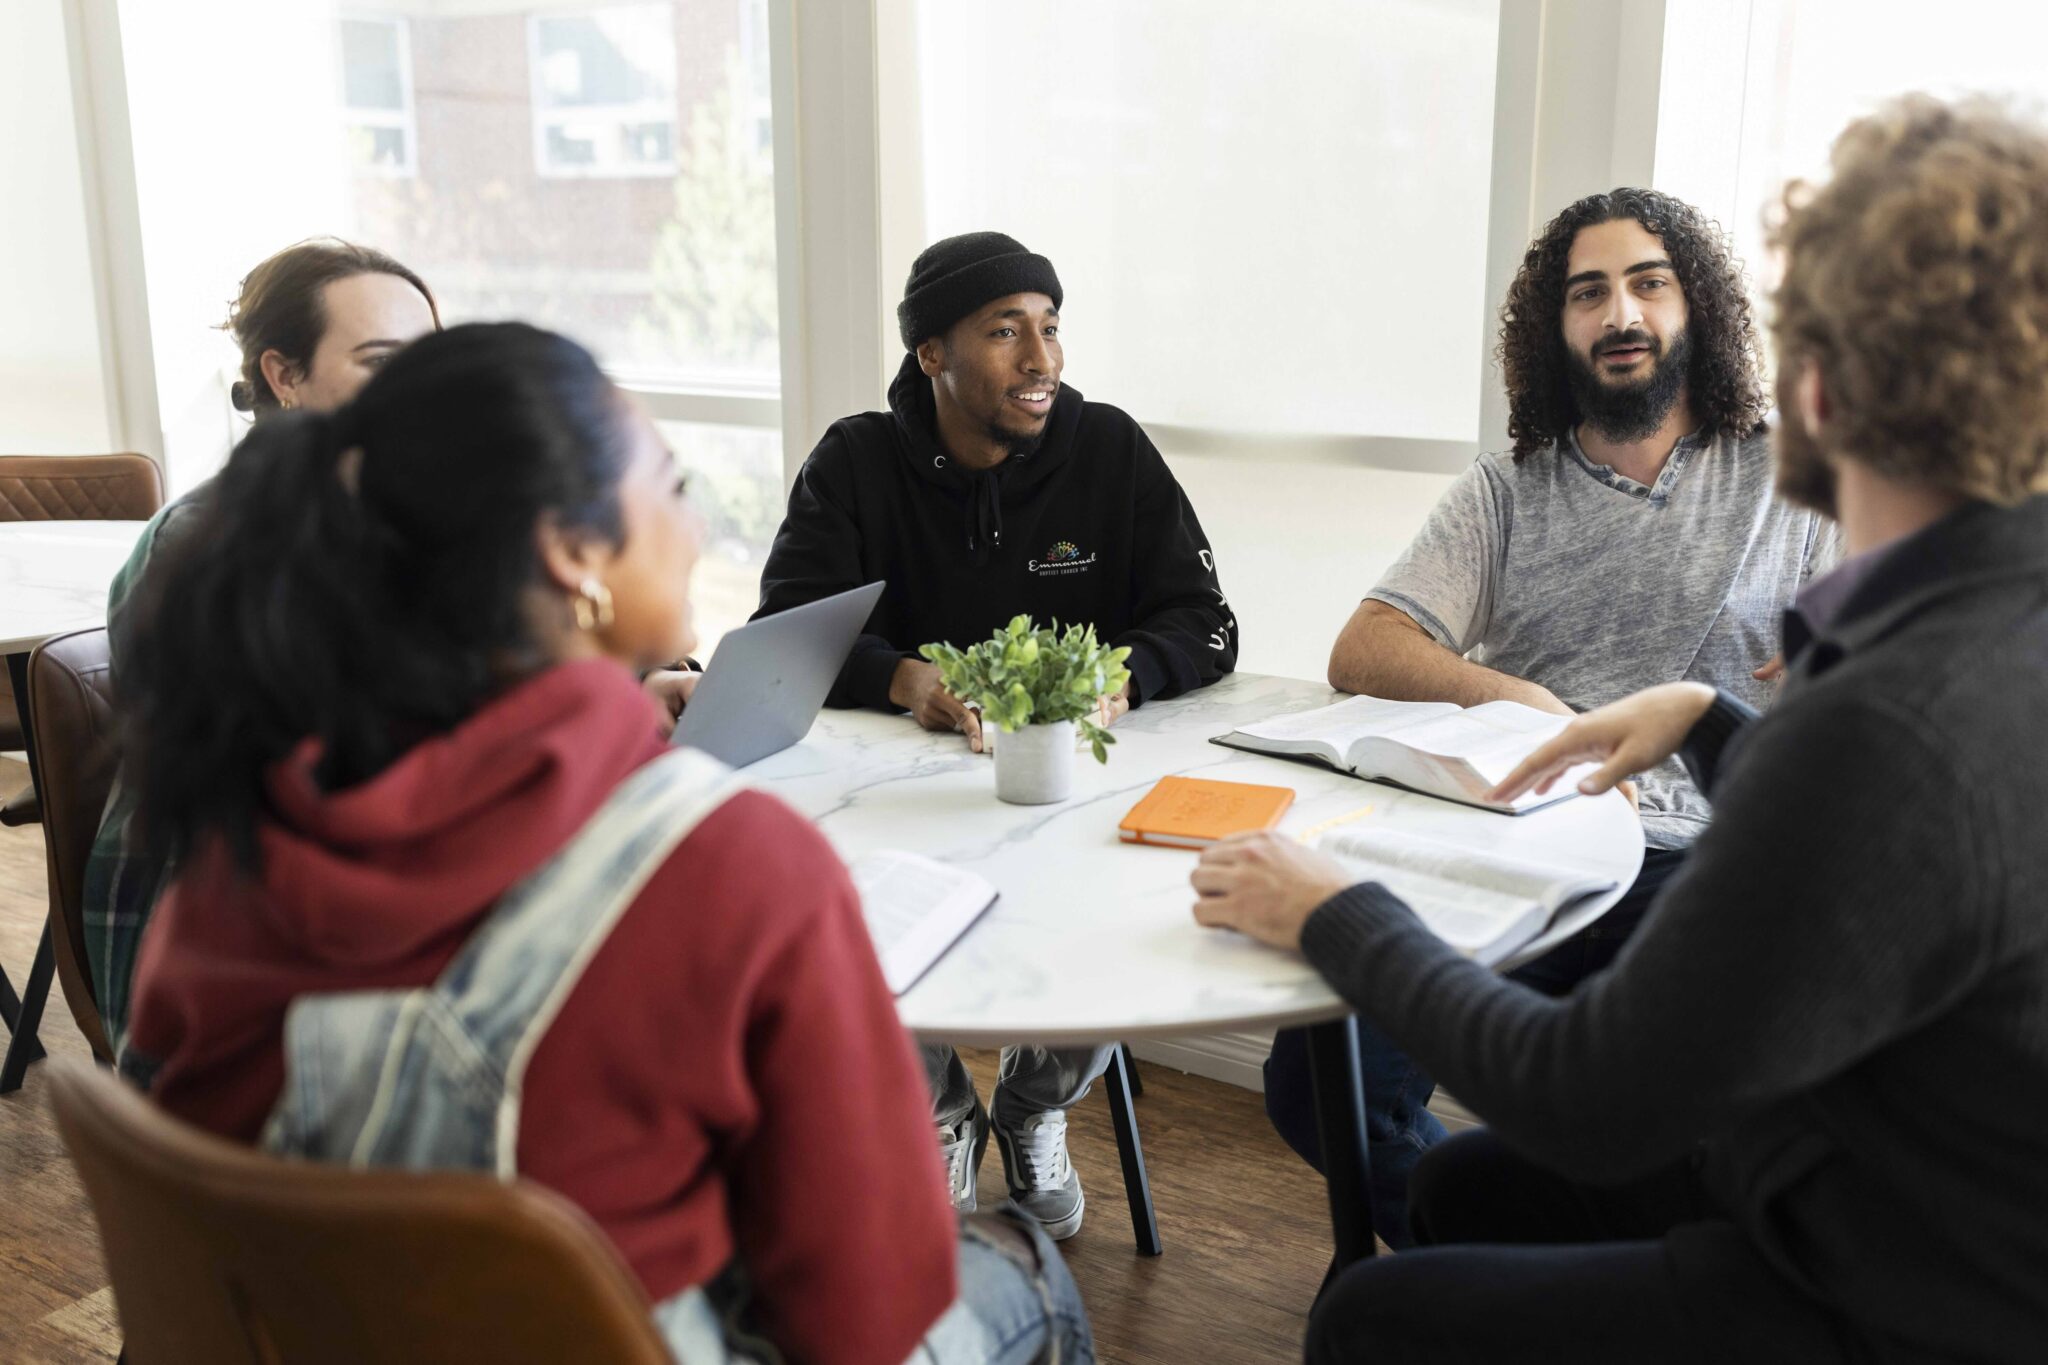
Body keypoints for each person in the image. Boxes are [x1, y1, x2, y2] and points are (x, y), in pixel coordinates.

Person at [1194, 95, 2048, 1364]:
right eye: (1588, 293)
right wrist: (1708, 719)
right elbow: (1886, 834)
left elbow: (1582, 1102)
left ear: (1806, 382)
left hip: (1885, 1286)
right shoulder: (1988, 618)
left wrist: (1333, 909)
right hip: (1890, 1171)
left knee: (1370, 1318)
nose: (1623, 316)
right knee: (1451, 1192)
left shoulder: (1882, 706)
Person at [119, 322, 1094, 1365]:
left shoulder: (232, 850)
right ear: (573, 554)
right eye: (669, 488)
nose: (696, 524)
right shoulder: (733, 874)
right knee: (1020, 1274)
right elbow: (867, 1316)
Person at [1262, 187, 1837, 1245]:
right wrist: (1515, 697)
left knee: (1648, 1126)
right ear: (1554, 328)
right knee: (1316, 1091)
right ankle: (1523, 1278)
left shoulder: (1792, 471)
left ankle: (1556, 1286)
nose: (1619, 313)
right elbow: (1364, 649)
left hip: (1693, 863)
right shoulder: (1504, 492)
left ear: (1695, 307)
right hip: (1515, 839)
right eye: (1587, 293)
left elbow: (1882, 664)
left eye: (1646, 284)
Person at [753, 231, 1237, 1238]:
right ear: (931, 353)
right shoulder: (855, 460)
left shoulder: (1105, 448)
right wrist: (902, 676)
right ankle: (935, 1114)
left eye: (1050, 328)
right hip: (890, 803)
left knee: (1127, 909)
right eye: (1004, 331)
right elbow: (787, 631)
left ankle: (1032, 1105)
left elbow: (1205, 620)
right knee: (825, 911)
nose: (1041, 359)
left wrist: (1119, 676)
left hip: (1073, 787)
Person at [83, 239, 441, 1047]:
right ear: (285, 375)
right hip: (225, 968)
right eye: (383, 362)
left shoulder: (386, 518)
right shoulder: (212, 545)